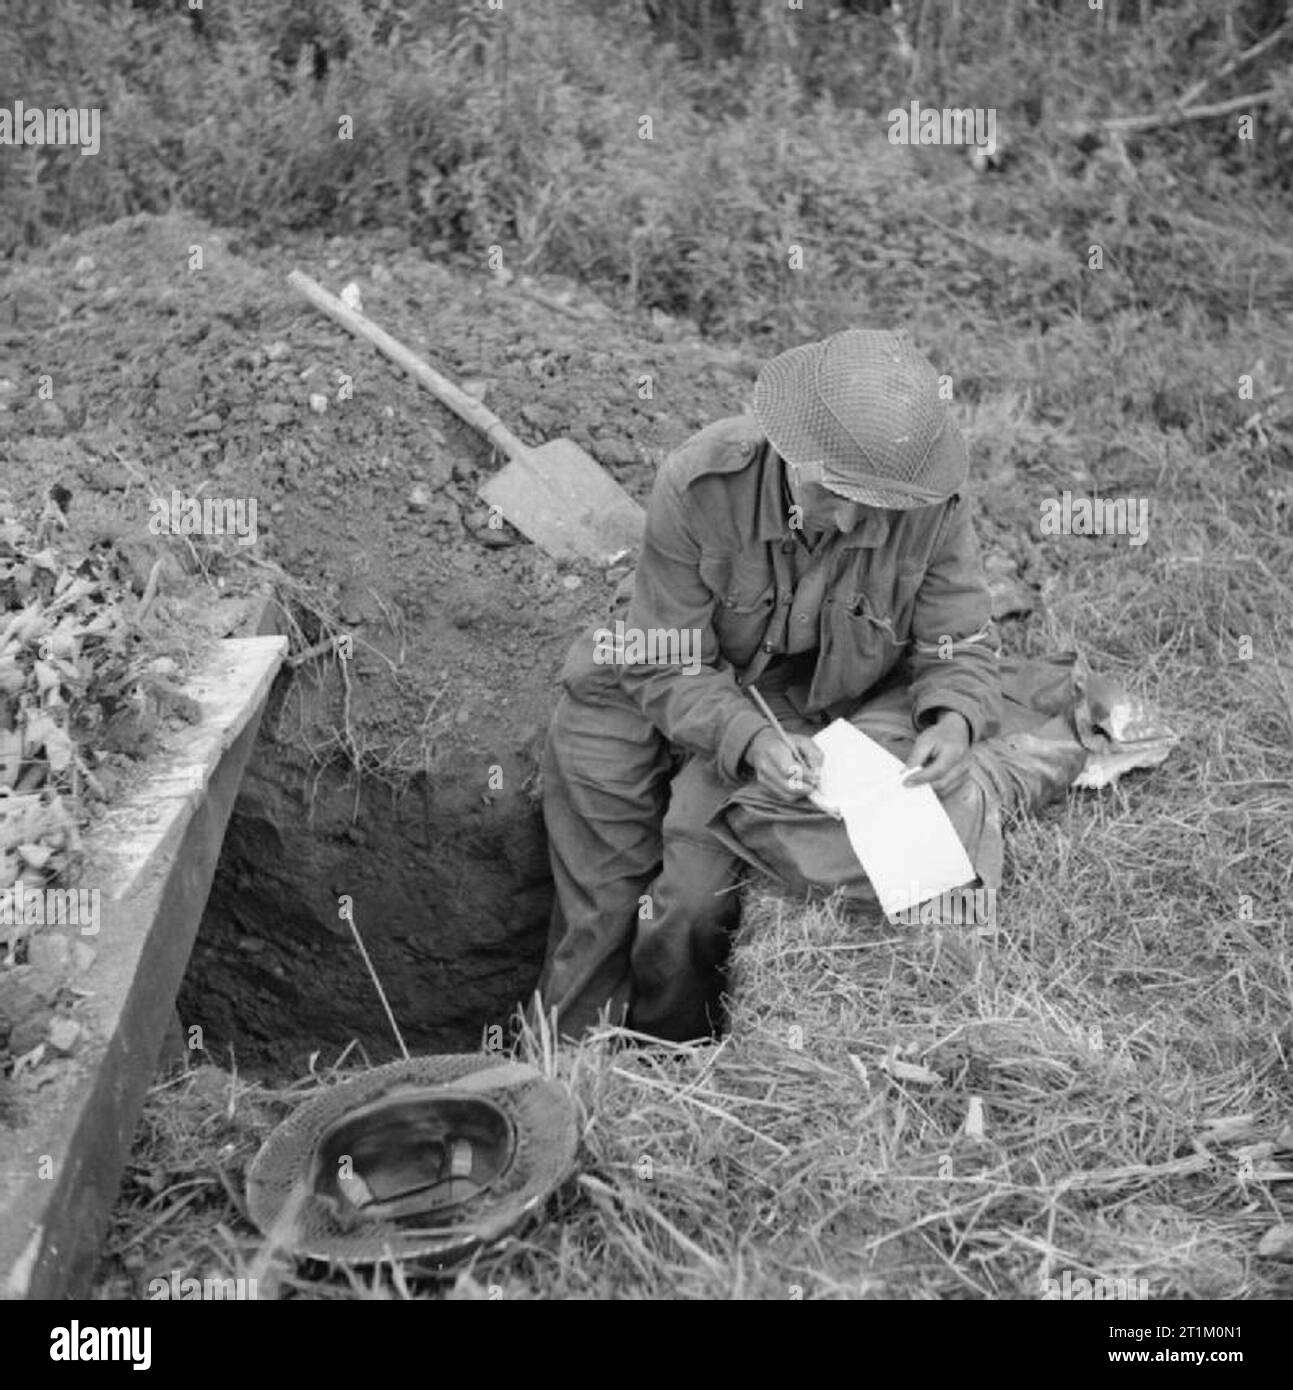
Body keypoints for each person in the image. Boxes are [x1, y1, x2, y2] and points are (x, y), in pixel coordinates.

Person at [536, 328, 1097, 1042]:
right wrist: (746, 738)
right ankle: (573, 1068)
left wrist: (952, 719)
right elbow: (666, 660)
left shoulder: (924, 500)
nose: (859, 520)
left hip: (814, 702)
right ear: (789, 453)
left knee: (692, 901)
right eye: (839, 493)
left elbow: (956, 638)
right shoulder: (700, 484)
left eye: (880, 503)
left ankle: (670, 1061)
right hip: (656, 684)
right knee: (602, 908)